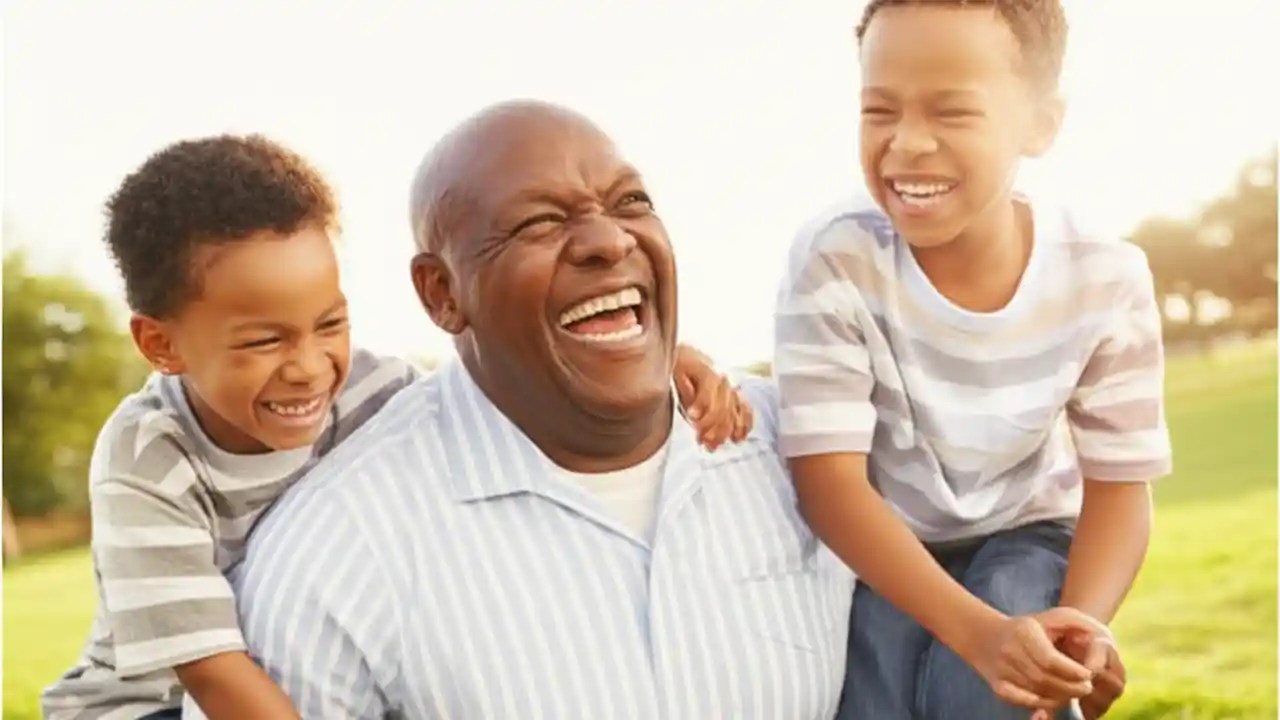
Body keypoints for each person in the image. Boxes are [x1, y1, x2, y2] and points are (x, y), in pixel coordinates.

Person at [42, 134, 750, 720]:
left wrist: (654, 362)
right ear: (162, 346)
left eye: (330, 324)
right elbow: (214, 674)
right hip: (151, 707)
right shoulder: (146, 459)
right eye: (263, 342)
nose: (309, 368)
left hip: (291, 674)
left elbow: (504, 391)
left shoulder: (376, 390)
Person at [220, 100, 856, 719]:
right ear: (441, 294)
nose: (609, 240)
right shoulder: (335, 554)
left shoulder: (807, 453)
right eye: (539, 224)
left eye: (630, 203)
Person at [773, 2, 1171, 719]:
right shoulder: (835, 257)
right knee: (874, 700)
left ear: (1041, 124)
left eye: (951, 113)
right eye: (880, 110)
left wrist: (1077, 633)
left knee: (995, 691)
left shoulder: (1105, 276)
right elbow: (828, 482)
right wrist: (977, 634)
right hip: (883, 541)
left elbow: (1119, 486)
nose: (907, 143)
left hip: (1028, 531)